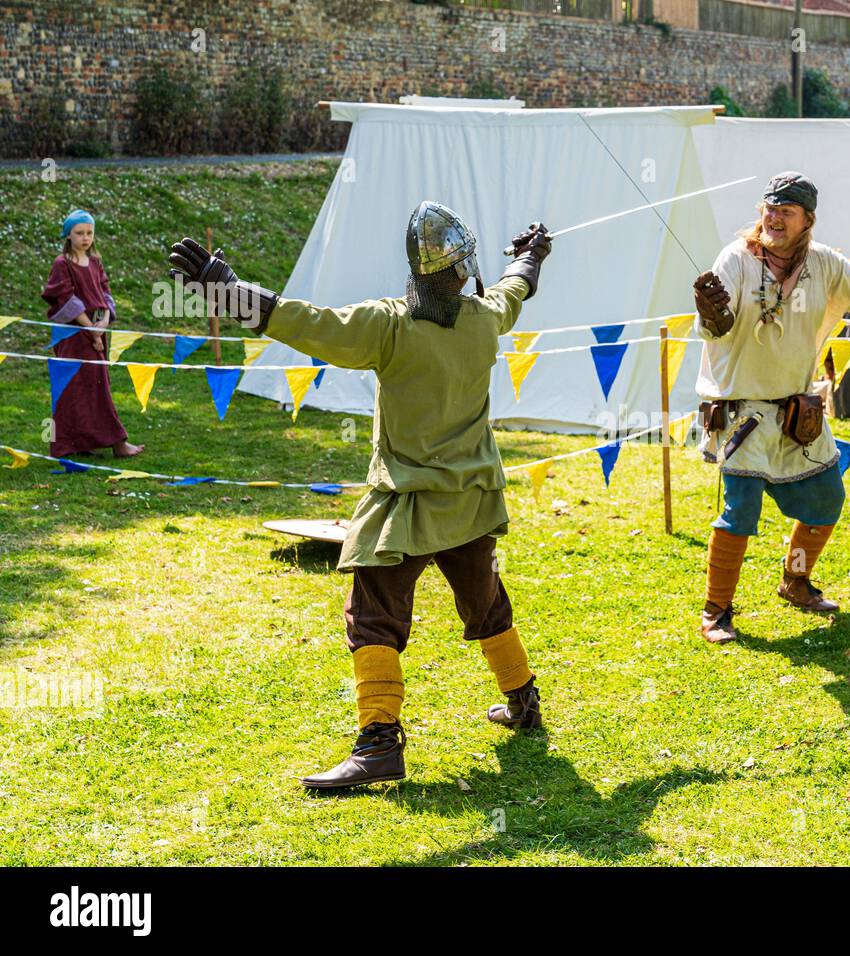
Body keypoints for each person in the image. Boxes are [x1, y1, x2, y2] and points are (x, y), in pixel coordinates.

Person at [167, 204, 552, 790]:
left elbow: (308, 322)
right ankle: (523, 701)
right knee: (484, 600)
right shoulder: (482, 318)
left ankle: (378, 744)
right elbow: (514, 288)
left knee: (372, 614)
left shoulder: (388, 325)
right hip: (472, 498)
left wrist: (230, 291)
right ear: (461, 270)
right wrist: (532, 253)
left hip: (411, 503)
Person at [691, 172, 850, 644]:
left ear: (807, 220)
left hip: (796, 411)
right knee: (739, 511)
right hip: (741, 409)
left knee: (826, 501)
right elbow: (716, 327)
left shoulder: (825, 263)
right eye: (770, 208)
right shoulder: (736, 259)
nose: (775, 218)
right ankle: (716, 611)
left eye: (787, 212)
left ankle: (794, 580)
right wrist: (711, 311)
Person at [40, 209, 144, 459]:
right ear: (68, 235)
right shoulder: (62, 264)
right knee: (73, 386)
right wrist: (91, 330)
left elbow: (105, 292)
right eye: (79, 233)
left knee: (98, 385)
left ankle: (96, 440)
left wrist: (105, 321)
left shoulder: (95, 261)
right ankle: (75, 443)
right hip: (74, 335)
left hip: (97, 329)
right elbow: (66, 298)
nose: (85, 238)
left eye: (89, 233)